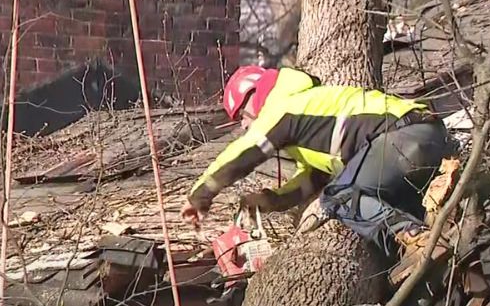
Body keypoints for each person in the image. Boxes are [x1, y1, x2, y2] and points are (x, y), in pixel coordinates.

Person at [181, 65, 453, 253]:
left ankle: (417, 238)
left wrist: (201, 195)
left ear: (254, 95)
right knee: (383, 205)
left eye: (242, 115)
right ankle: (438, 245)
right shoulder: (306, 118)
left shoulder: (283, 107)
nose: (243, 125)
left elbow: (245, 152)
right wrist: (272, 200)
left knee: (339, 197)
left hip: (400, 139)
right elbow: (313, 179)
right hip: (429, 139)